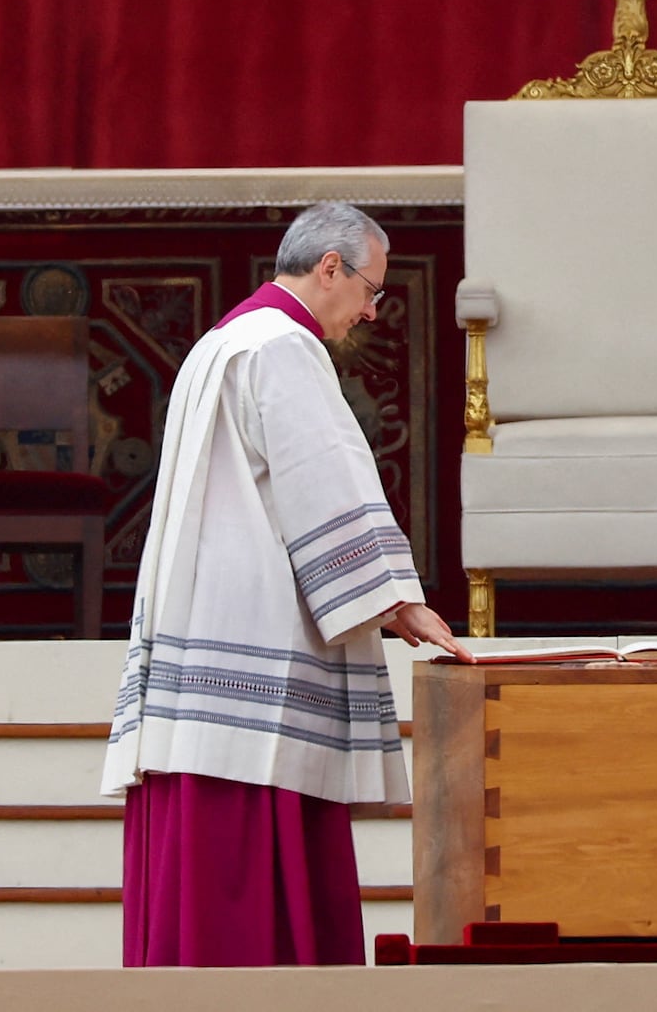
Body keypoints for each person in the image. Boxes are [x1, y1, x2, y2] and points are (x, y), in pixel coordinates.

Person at [102, 201, 471, 967]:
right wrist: (397, 601)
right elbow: (322, 479)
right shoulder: (284, 347)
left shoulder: (223, 340)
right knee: (256, 820)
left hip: (203, 619)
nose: (372, 309)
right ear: (328, 267)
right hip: (255, 626)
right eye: (370, 287)